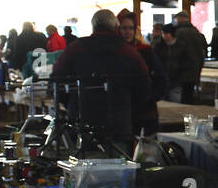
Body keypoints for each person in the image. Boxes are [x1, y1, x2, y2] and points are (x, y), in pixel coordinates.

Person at [53, 10, 152, 145]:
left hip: (81, 122)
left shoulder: (74, 49)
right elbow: (145, 89)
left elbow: (57, 81)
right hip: (118, 124)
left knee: (81, 163)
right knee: (119, 164)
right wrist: (127, 106)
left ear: (93, 26)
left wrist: (71, 102)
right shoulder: (129, 53)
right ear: (116, 27)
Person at [118, 12, 168, 134]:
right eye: (124, 28)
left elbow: (161, 77)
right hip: (122, 110)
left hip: (145, 111)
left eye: (131, 28)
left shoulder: (145, 51)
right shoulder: (114, 51)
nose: (128, 32)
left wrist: (151, 97)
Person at [172, 12, 207, 104]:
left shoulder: (177, 33)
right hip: (194, 70)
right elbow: (203, 51)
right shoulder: (197, 33)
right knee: (189, 95)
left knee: (178, 98)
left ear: (178, 20)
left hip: (181, 71)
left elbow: (175, 53)